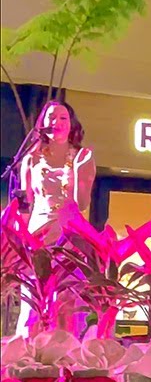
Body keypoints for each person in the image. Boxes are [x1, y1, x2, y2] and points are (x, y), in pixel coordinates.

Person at [15, 101, 95, 336]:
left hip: (69, 236)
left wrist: (79, 172)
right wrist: (19, 239)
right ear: (42, 123)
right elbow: (24, 203)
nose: (57, 123)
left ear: (71, 125)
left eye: (63, 118)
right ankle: (30, 358)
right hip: (38, 234)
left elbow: (82, 203)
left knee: (67, 302)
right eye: (52, 117)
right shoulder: (31, 158)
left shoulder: (82, 156)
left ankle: (65, 362)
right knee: (33, 300)